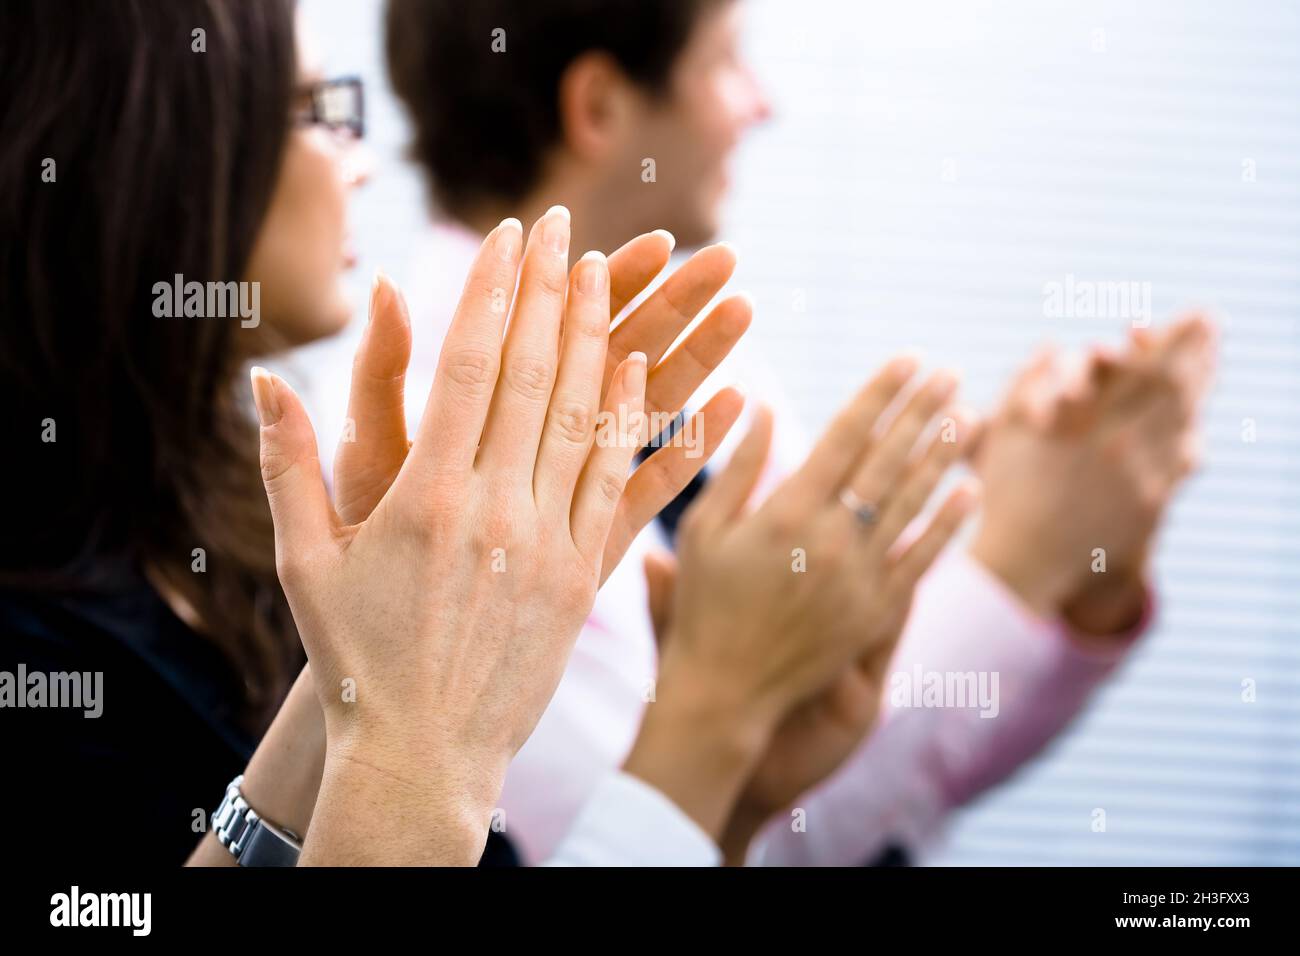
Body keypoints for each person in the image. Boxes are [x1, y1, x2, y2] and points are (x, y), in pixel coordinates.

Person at [0, 0, 976, 867]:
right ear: (141, 153)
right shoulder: (42, 652)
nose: (364, 158)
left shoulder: (234, 534)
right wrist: (709, 714)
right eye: (315, 109)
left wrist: (741, 785)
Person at [374, 0, 1218, 864]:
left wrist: (1062, 545)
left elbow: (831, 722)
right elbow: (699, 833)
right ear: (600, 107)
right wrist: (1020, 564)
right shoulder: (429, 454)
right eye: (726, 61)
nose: (761, 103)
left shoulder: (696, 362)